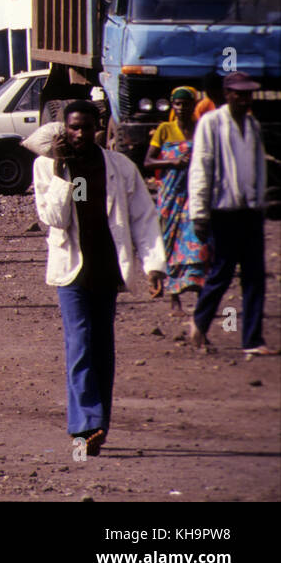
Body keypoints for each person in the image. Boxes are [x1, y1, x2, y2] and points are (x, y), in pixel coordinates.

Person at [33, 100, 166, 455]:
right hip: (71, 270)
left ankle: (98, 424)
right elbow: (54, 219)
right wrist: (64, 174)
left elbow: (143, 216)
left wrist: (154, 265)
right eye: (73, 127)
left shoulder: (119, 167)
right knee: (79, 344)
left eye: (86, 127)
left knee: (103, 349)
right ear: (64, 128)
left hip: (106, 267)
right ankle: (84, 425)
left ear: (98, 126)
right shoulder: (47, 167)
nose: (79, 134)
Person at [187, 72, 273, 355]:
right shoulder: (211, 123)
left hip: (249, 210)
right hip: (222, 211)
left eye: (248, 94)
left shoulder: (251, 125)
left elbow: (258, 167)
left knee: (255, 277)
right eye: (239, 93)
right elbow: (201, 167)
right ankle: (199, 322)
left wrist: (261, 201)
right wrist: (199, 212)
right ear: (227, 94)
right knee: (221, 273)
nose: (244, 98)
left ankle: (252, 340)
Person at [143, 87, 209, 316]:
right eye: (177, 104)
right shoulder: (164, 129)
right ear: (172, 106)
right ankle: (175, 299)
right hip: (170, 194)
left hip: (194, 193)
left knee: (197, 241)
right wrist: (172, 163)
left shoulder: (201, 129)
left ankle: (201, 295)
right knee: (169, 242)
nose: (181, 108)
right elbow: (148, 161)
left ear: (193, 106)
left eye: (186, 104)